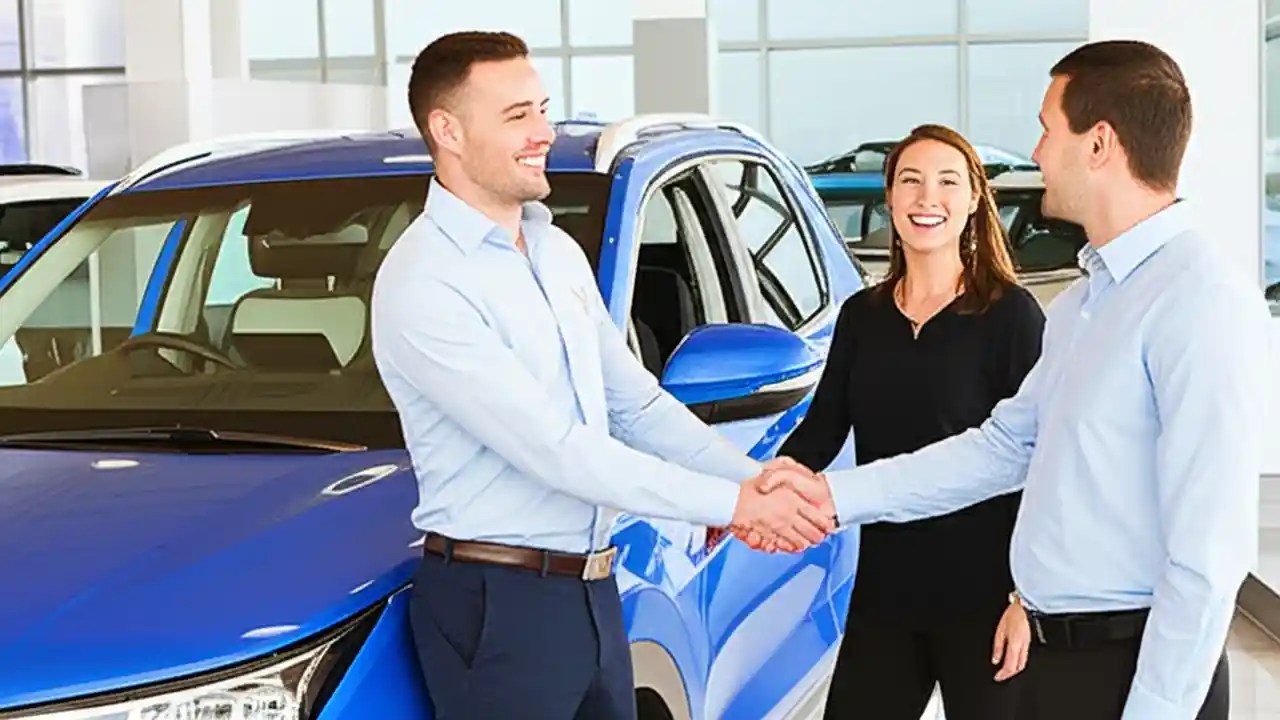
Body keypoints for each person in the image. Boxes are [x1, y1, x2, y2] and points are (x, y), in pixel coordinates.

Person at [753, 39, 1270, 720]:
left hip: (1134, 671)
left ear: (1100, 144)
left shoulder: (1196, 298)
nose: (1035, 152)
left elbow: (1207, 556)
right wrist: (829, 494)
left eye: (1047, 128)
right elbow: (1003, 448)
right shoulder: (1087, 305)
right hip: (1059, 667)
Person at [369, 31, 832, 720]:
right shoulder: (425, 282)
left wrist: (745, 478)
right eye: (516, 115)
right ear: (448, 130)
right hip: (500, 605)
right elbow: (558, 451)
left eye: (542, 109)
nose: (543, 133)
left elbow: (635, 405)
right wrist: (733, 508)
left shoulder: (554, 251)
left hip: (591, 590)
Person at [775, 124, 1044, 719]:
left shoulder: (1011, 317)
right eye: (911, 182)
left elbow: (1042, 464)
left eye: (948, 182)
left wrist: (1028, 599)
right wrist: (750, 495)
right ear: (890, 197)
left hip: (989, 599)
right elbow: (819, 433)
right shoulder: (862, 317)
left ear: (974, 200)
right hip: (886, 593)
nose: (928, 199)